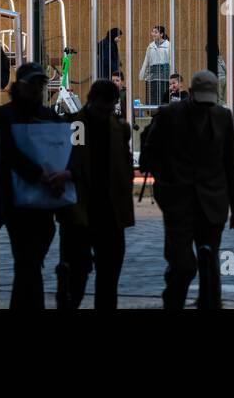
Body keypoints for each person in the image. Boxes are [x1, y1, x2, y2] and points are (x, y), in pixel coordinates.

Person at [144, 70, 234, 309]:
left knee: (211, 265)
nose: (205, 107)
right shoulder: (169, 114)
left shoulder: (222, 116)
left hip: (212, 202)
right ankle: (174, 302)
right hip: (178, 201)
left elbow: (231, 163)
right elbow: (148, 154)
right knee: (182, 263)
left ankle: (210, 304)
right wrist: (166, 182)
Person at [0, 62, 71, 309]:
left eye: (41, 84)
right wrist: (40, 174)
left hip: (43, 200)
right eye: (34, 84)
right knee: (28, 262)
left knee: (29, 263)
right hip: (15, 202)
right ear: (20, 86)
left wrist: (61, 176)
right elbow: (7, 152)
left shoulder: (49, 116)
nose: (38, 89)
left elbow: (65, 152)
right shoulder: (4, 116)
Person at [56, 79, 135, 309]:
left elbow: (123, 167)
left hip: (109, 213)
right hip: (79, 213)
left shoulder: (118, 129)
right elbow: (76, 160)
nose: (105, 113)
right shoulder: (76, 125)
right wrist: (71, 173)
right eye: (102, 108)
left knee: (108, 280)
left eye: (109, 109)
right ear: (91, 101)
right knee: (77, 278)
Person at [139, 25, 171, 104]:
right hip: (152, 76)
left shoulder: (168, 45)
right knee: (152, 98)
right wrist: (142, 74)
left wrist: (173, 74)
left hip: (165, 75)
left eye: (156, 32)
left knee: (163, 96)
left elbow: (171, 61)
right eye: (153, 32)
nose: (153, 34)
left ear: (161, 34)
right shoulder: (150, 46)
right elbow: (146, 60)